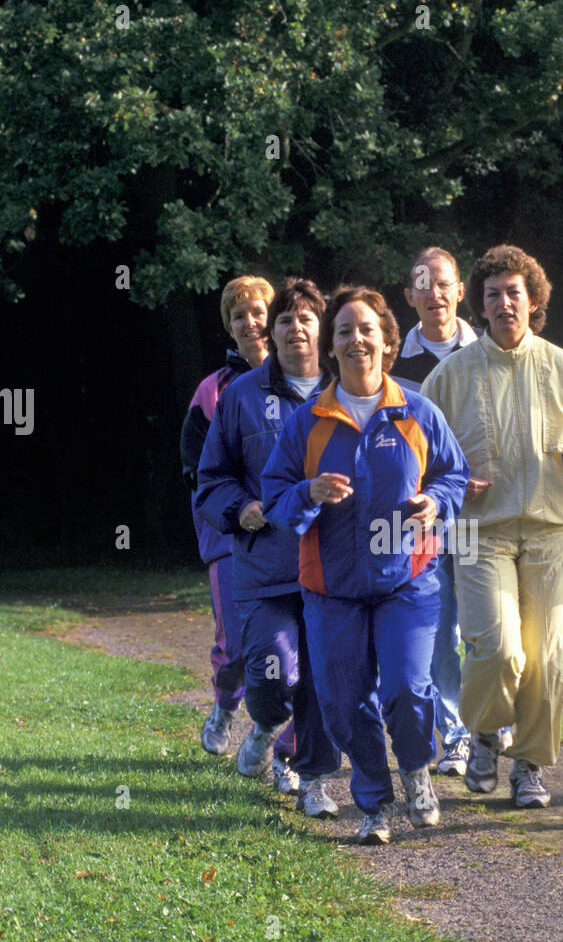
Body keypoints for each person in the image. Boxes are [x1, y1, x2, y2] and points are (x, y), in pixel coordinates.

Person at [261, 286, 469, 846]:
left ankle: (418, 770)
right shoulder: (308, 422)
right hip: (333, 588)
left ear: (388, 342)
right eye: (346, 331)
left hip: (408, 580)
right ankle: (374, 801)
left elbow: (453, 474)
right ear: (333, 346)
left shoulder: (418, 411)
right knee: (344, 700)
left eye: (367, 330)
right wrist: (309, 491)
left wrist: (437, 503)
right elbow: (276, 498)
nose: (357, 340)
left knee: (407, 686)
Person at [421, 245, 563, 809]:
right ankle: (486, 733)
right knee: (497, 648)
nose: (503, 304)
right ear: (481, 304)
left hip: (551, 530)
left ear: (534, 299)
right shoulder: (448, 378)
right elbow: (419, 456)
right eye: (492, 294)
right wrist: (445, 483)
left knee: (549, 652)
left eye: (513, 293)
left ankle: (530, 766)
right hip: (477, 532)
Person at [195, 278, 340, 818]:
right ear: (271, 334)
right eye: (284, 320)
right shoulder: (240, 397)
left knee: (324, 678)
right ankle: (262, 722)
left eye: (306, 319)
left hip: (334, 568)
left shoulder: (347, 391)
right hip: (267, 568)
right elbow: (210, 478)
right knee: (276, 675)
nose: (294, 328)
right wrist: (240, 509)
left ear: (321, 330)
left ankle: (314, 780)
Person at [180, 275, 273, 757]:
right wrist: (235, 510)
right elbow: (197, 467)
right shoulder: (211, 392)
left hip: (291, 535)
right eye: (240, 315)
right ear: (229, 327)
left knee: (292, 645)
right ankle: (225, 705)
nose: (251, 322)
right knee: (235, 643)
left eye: (259, 312)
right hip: (231, 540)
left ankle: (287, 746)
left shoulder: (305, 380)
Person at [394, 246, 478, 778]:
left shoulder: (489, 349)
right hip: (429, 518)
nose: (434, 293)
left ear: (460, 290)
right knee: (441, 626)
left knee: (490, 628)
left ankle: (493, 723)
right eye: (422, 284)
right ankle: (457, 735)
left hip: (489, 515)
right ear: (409, 296)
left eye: (443, 283)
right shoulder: (395, 366)